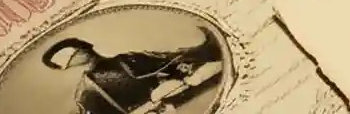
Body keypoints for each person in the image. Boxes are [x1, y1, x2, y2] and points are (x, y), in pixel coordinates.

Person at [42, 27, 223, 114]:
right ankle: (206, 51)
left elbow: (163, 64)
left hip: (154, 88)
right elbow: (163, 64)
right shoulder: (92, 82)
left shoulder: (89, 84)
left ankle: (205, 52)